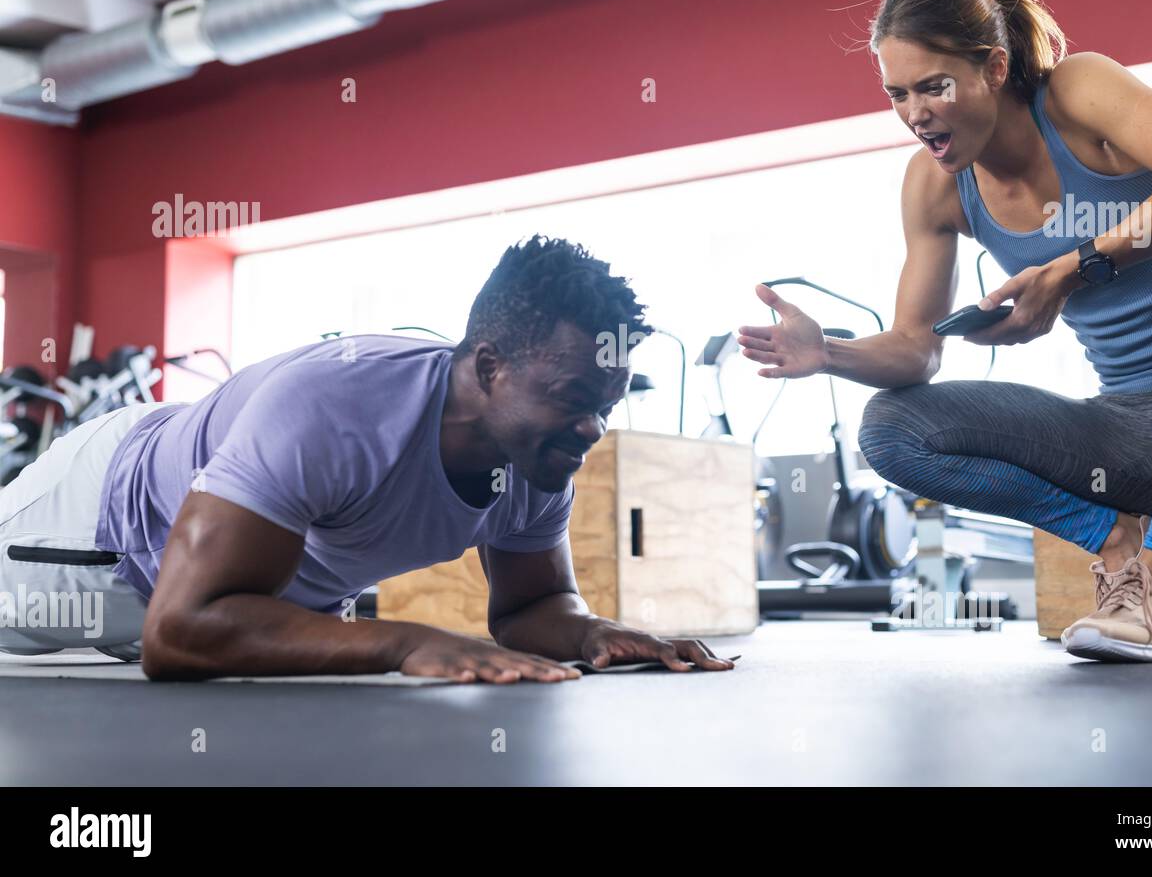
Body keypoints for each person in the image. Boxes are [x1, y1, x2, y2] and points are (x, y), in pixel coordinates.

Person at [738, 0, 1152, 663]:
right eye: (897, 94)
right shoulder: (934, 185)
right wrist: (829, 352)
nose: (916, 112)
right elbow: (917, 350)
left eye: (933, 85)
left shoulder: (1077, 92)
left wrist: (1074, 268)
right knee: (890, 427)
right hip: (1139, 434)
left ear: (994, 68)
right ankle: (1118, 541)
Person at [0, 235, 735, 681]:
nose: (591, 428)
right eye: (574, 398)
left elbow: (530, 607)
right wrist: (407, 641)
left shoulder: (535, 451)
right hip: (100, 532)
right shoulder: (335, 406)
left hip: (240, 597)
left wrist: (591, 632)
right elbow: (177, 631)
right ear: (488, 368)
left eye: (606, 403)